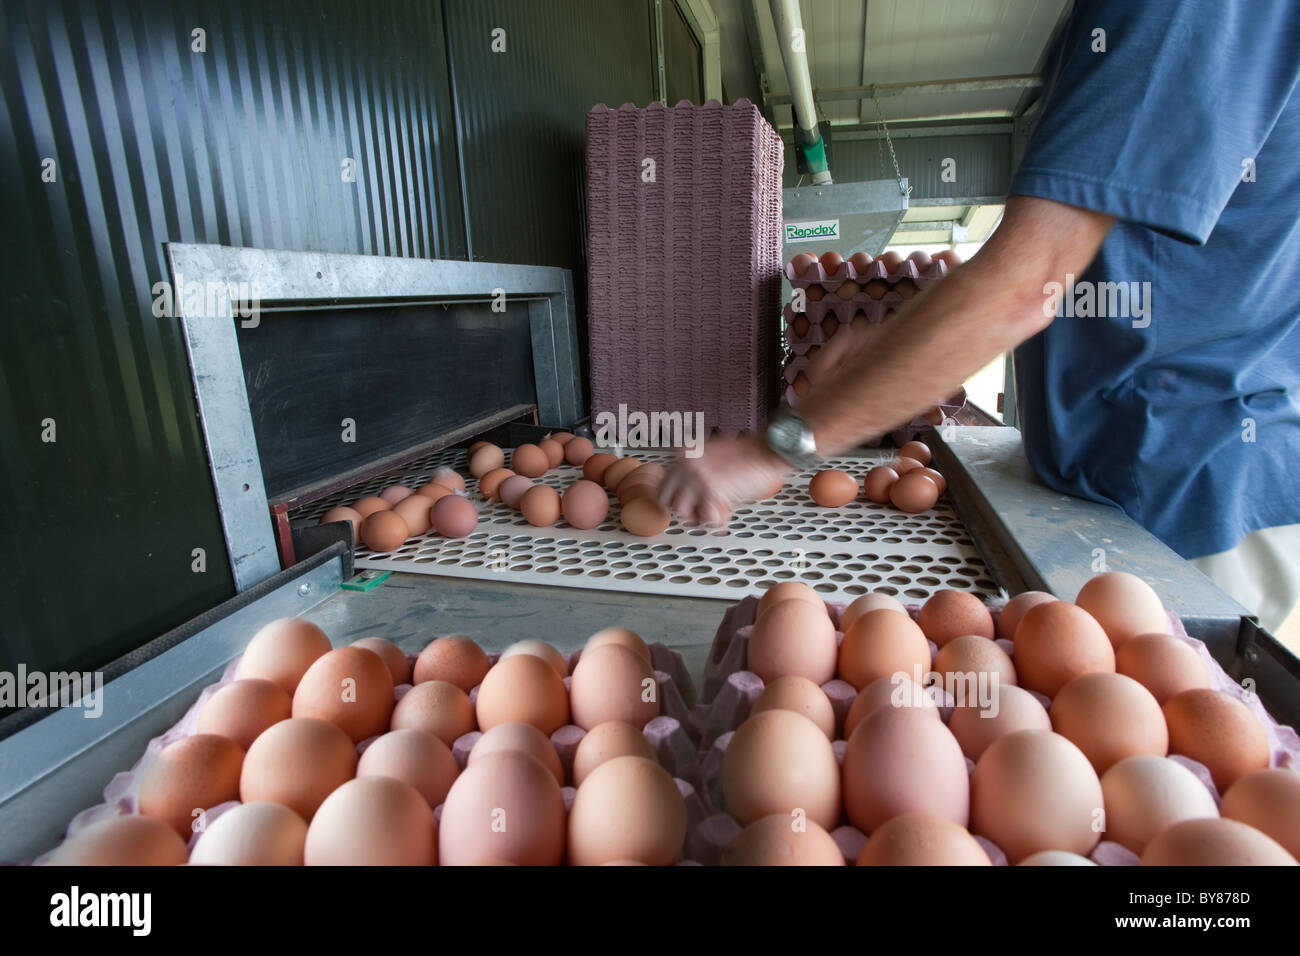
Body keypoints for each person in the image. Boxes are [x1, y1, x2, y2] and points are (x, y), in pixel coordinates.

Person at [659, 0, 1300, 648]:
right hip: (1130, 476)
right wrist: (890, 345)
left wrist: (775, 449)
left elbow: (1025, 285)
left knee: (1141, 701)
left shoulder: (1178, 10)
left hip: (1191, 492)